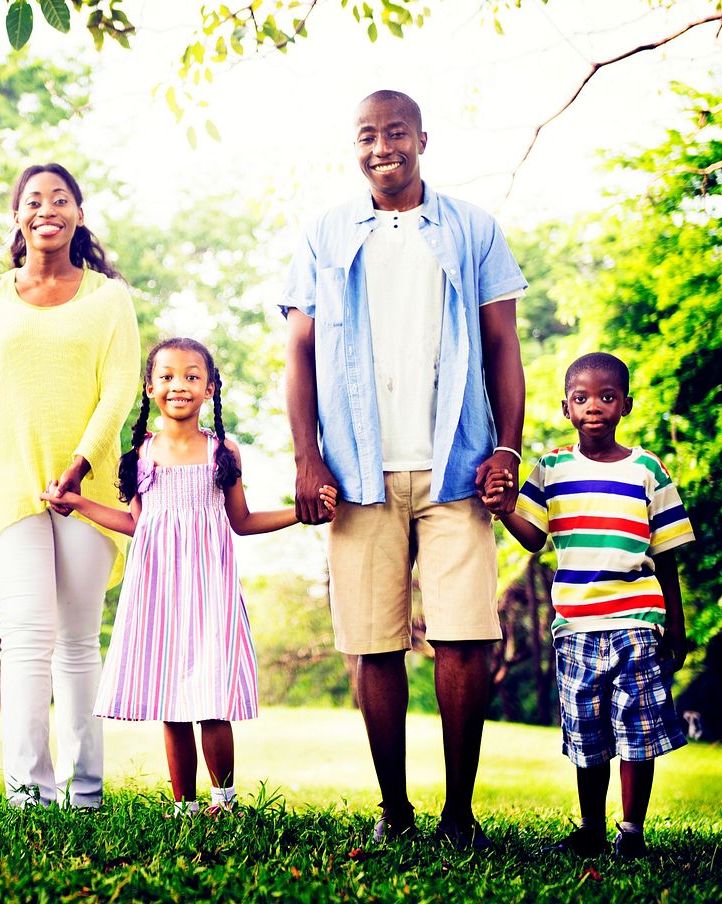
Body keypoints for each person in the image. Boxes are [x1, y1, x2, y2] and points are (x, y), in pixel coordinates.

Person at [282, 89, 528, 849]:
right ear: (352, 146)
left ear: (422, 139)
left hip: (457, 465)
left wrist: (508, 449)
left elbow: (502, 348)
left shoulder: (471, 228)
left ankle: (459, 814)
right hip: (358, 472)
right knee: (372, 642)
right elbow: (298, 353)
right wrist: (307, 456)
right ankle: (395, 811)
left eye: (395, 133)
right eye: (366, 135)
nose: (381, 146)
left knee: (464, 639)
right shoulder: (325, 233)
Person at [44, 337, 337, 815]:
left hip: (210, 589)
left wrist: (298, 514)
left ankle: (225, 799)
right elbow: (137, 523)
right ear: (149, 388)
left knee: (211, 698)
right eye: (167, 376)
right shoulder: (140, 453)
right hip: (157, 589)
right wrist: (78, 504)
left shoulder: (223, 452)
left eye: (192, 376)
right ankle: (186, 806)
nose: (179, 385)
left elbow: (241, 522)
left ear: (210, 389)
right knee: (171, 698)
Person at [0, 163, 140, 809]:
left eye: (60, 198)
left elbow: (121, 389)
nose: (46, 208)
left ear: (79, 214)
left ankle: (85, 792)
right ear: (18, 216)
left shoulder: (109, 298)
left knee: (80, 639)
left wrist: (81, 464)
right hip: (4, 489)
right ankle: (29, 792)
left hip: (89, 489)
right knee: (27, 633)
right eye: (33, 199)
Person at [481, 353, 694, 859]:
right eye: (581, 398)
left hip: (638, 622)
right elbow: (532, 538)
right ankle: (592, 829)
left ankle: (631, 830)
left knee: (638, 727)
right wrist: (503, 508)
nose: (593, 407)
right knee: (588, 732)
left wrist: (677, 627)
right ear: (565, 408)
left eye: (606, 397)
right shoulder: (551, 469)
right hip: (575, 625)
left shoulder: (648, 469)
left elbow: (666, 556)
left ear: (626, 405)